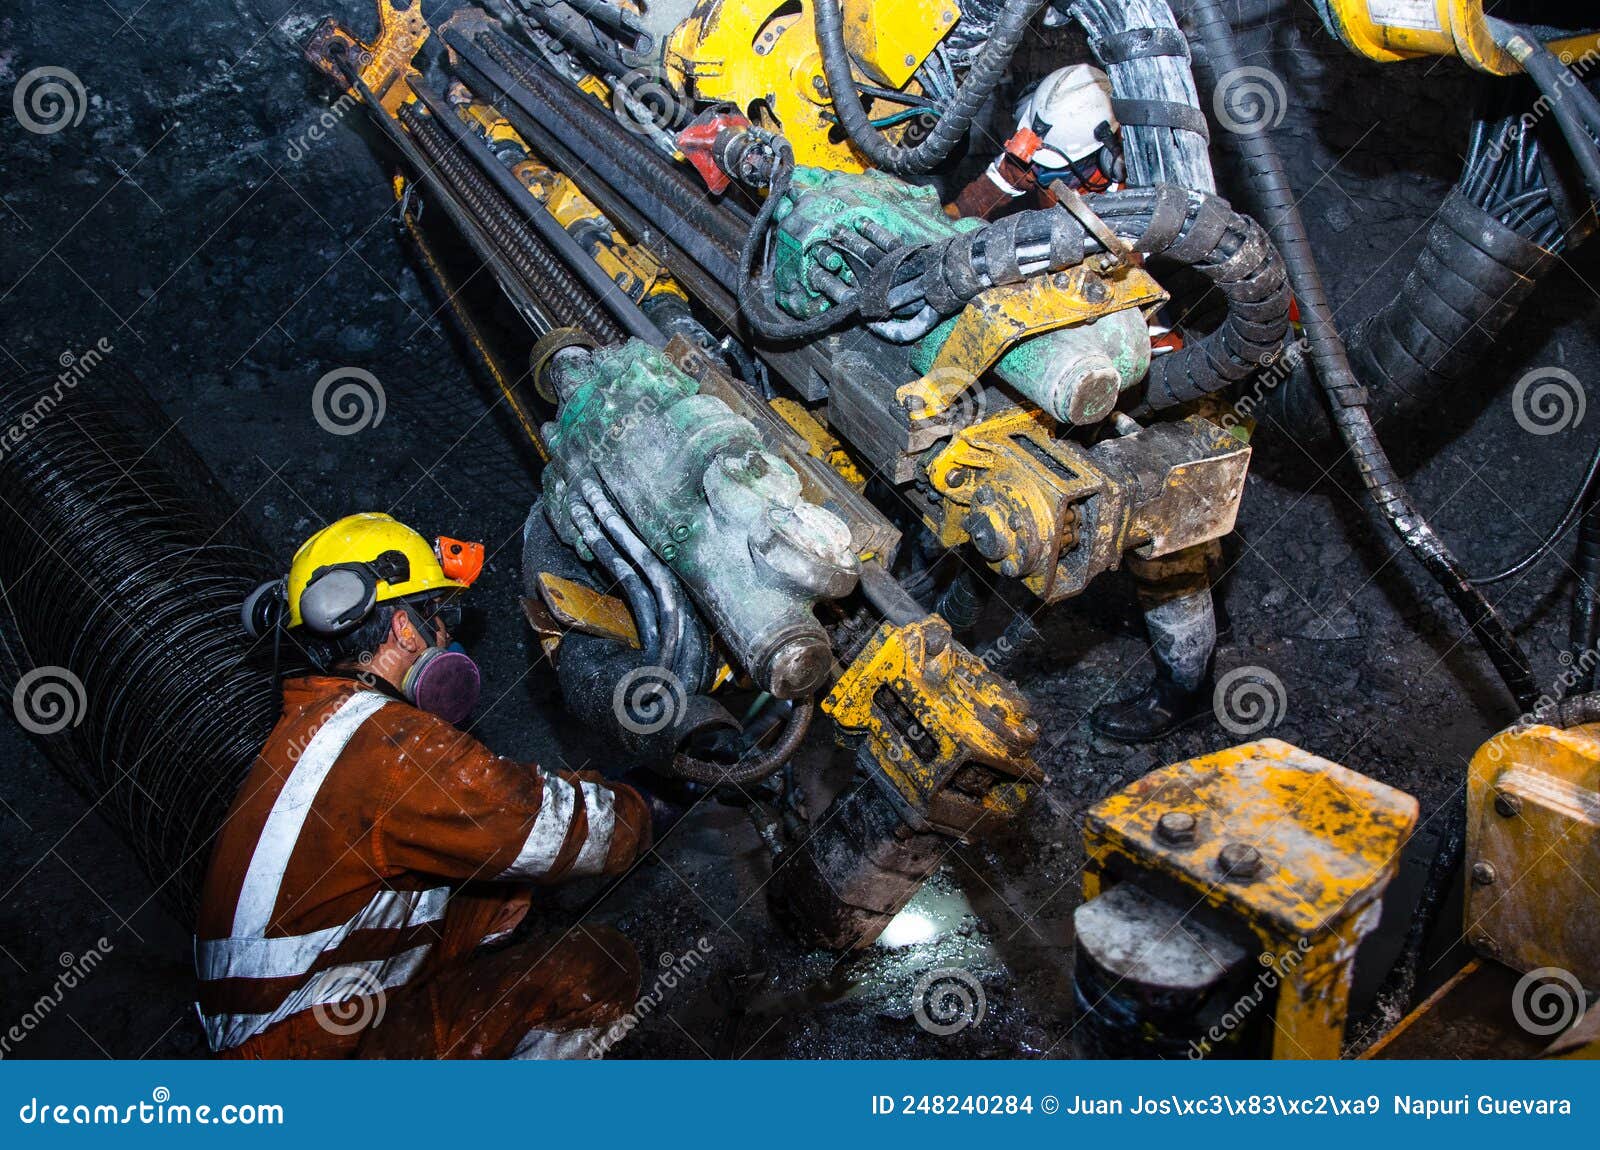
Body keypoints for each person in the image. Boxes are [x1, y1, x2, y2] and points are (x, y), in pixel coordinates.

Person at [197, 512, 650, 1058]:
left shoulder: (312, 728)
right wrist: (641, 804)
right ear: (405, 629)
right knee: (596, 968)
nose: (446, 635)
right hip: (310, 1058)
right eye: (439, 617)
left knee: (500, 900)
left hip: (310, 1022)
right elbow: (541, 826)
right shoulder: (385, 744)